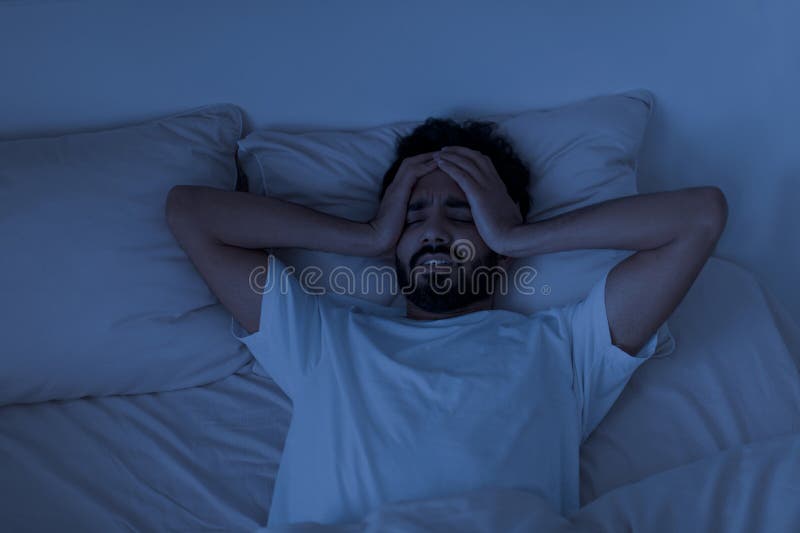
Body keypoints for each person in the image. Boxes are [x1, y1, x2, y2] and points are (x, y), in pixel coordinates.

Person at [165, 118, 727, 528]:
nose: (435, 232)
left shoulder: (564, 346)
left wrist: (518, 236)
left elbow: (699, 217)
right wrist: (366, 236)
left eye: (463, 215)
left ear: (502, 245)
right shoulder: (324, 336)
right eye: (412, 216)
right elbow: (190, 213)